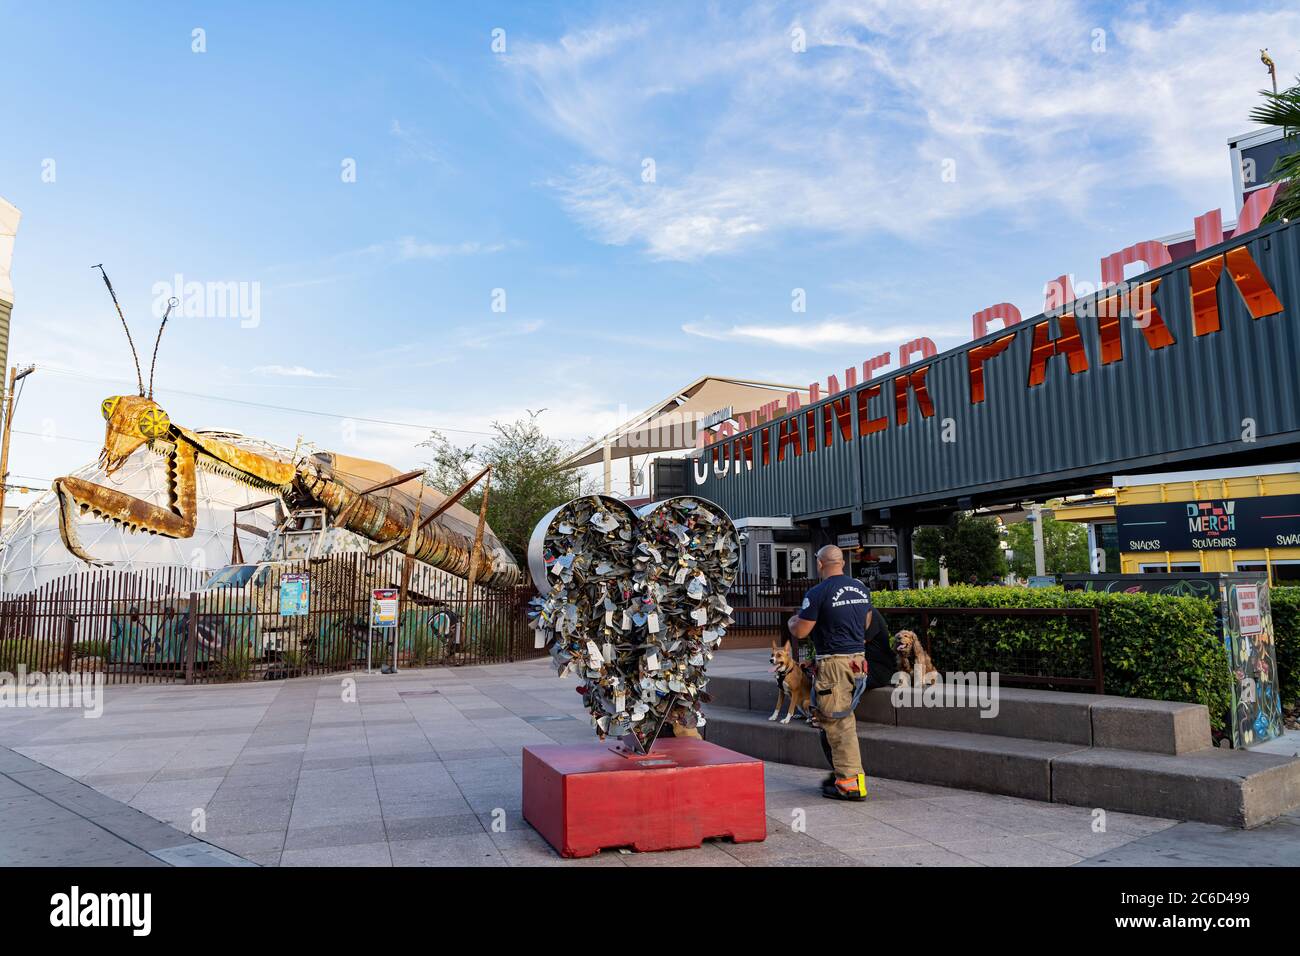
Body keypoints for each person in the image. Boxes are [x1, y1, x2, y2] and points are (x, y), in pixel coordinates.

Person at [787, 544, 873, 801]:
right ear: (843, 563)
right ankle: (842, 776)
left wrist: (793, 621)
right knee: (841, 720)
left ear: (820, 564)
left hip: (834, 665)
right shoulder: (860, 588)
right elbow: (866, 622)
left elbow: (801, 631)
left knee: (838, 725)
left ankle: (850, 785)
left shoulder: (818, 592)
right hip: (858, 662)